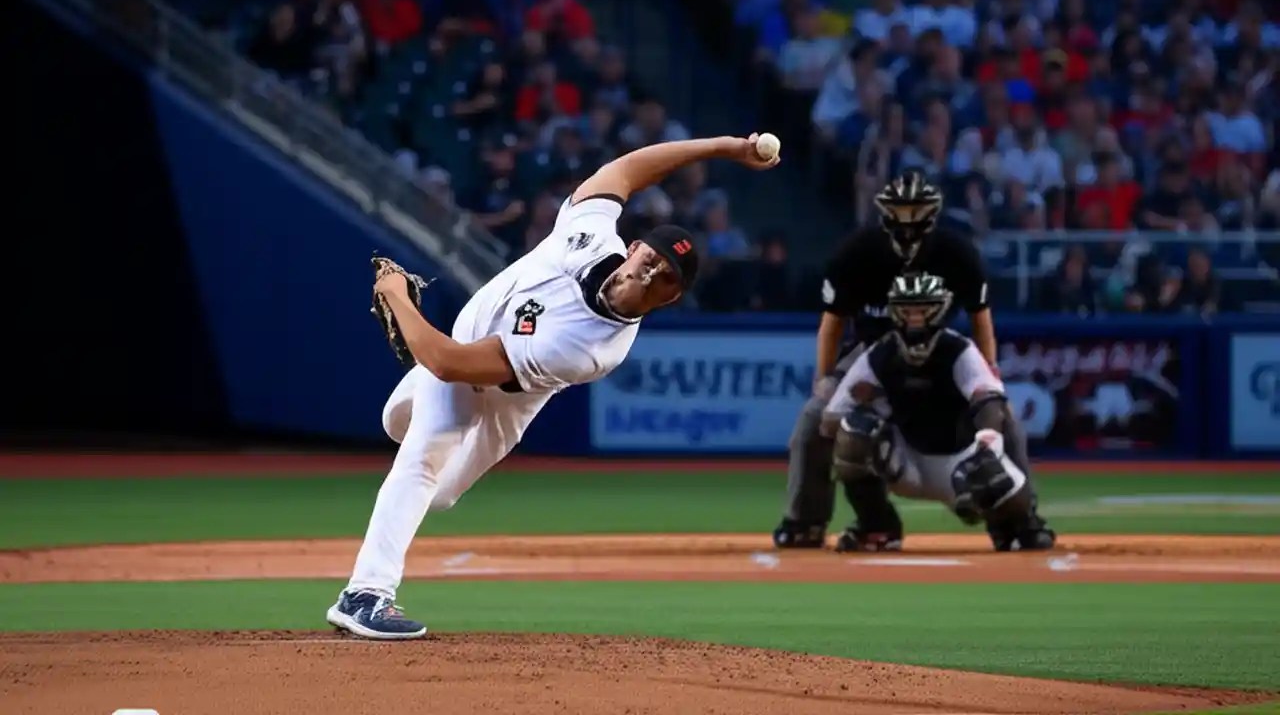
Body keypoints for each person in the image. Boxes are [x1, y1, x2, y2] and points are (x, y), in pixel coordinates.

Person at [327, 134, 780, 640]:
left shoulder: (593, 348)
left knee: (440, 491)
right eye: (651, 257)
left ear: (670, 299)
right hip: (465, 346)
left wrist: (398, 300)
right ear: (632, 248)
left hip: (506, 393)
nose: (651, 271)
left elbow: (449, 364)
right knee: (426, 453)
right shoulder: (590, 231)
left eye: (666, 278)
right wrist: (725, 147)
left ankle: (419, 407)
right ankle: (365, 593)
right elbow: (629, 168)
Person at [773, 169, 999, 552]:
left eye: (917, 213)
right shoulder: (858, 252)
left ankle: (1019, 520)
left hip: (941, 352)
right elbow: (832, 323)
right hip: (873, 355)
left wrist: (990, 370)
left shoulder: (957, 253)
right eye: (901, 213)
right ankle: (808, 521)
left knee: (999, 414)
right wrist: (825, 377)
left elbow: (982, 317)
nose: (908, 224)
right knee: (815, 422)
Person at [825, 274, 1055, 552]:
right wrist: (877, 410)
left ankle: (1018, 525)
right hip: (904, 462)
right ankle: (877, 525)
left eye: (922, 310)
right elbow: (830, 420)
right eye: (907, 310)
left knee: (991, 466)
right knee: (854, 432)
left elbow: (990, 402)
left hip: (962, 466)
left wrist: (988, 440)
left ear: (939, 310)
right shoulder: (880, 354)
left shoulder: (958, 349)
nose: (914, 318)